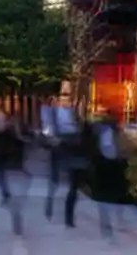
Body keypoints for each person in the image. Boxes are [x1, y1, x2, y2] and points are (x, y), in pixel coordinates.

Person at [42, 96, 86, 226]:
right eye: (63, 99)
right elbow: (48, 132)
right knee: (54, 180)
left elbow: (79, 130)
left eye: (68, 99)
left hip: (72, 149)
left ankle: (69, 218)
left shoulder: (74, 114)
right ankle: (49, 205)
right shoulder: (52, 113)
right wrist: (53, 140)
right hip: (60, 148)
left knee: (73, 184)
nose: (66, 102)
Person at [0, 106, 31, 239]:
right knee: (14, 199)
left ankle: (16, 222)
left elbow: (26, 142)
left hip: (14, 171)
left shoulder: (11, 134)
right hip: (9, 171)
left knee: (16, 199)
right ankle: (16, 222)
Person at [89, 107, 127, 240]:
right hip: (105, 166)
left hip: (113, 166)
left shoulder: (115, 132)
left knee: (112, 197)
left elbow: (121, 149)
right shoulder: (101, 132)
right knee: (106, 198)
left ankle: (115, 221)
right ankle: (107, 224)